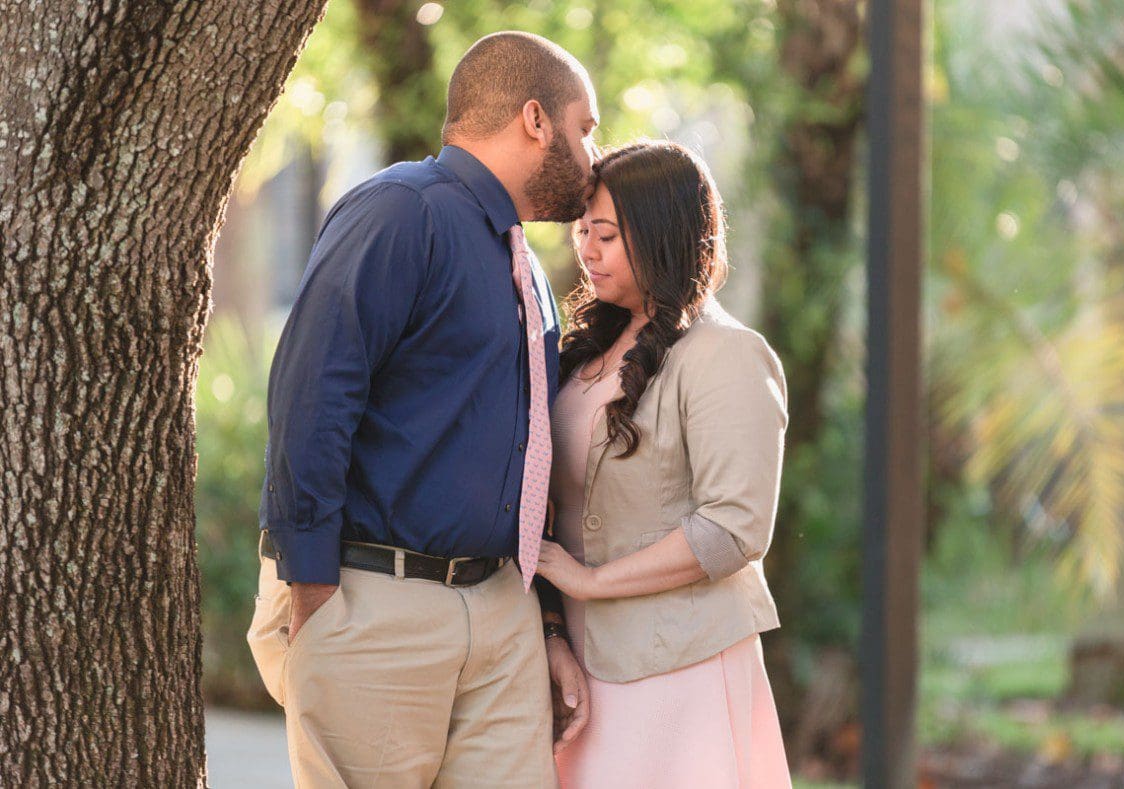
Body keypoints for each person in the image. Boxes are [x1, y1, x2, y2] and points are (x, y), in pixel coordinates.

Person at [246, 31, 597, 788]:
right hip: (376, 601)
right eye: (585, 129)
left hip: (501, 614)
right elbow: (312, 393)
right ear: (536, 119)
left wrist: (541, 620)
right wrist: (313, 590)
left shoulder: (524, 264)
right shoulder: (399, 212)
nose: (592, 156)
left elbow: (524, 449)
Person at [535, 141, 793, 788]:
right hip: (589, 666)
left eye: (608, 235)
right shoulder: (595, 344)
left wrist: (589, 580)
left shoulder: (726, 354)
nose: (586, 250)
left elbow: (734, 528)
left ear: (660, 233)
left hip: (684, 668)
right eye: (582, 231)